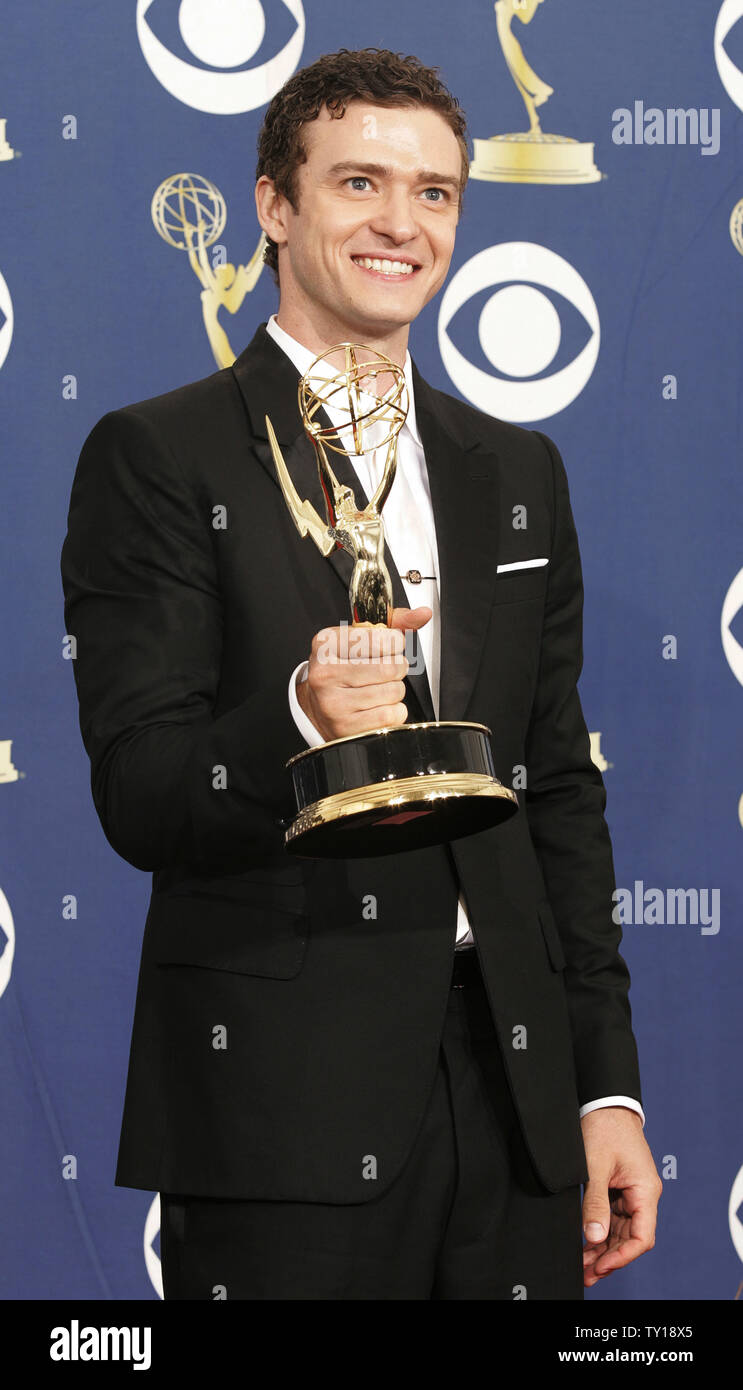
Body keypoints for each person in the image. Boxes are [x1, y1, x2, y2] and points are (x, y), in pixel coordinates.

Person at [60, 48, 661, 1300]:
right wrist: (299, 712)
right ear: (274, 207)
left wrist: (601, 1085)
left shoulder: (515, 470)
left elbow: (556, 791)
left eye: (435, 193)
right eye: (359, 183)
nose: (402, 224)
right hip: (284, 1108)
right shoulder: (159, 455)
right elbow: (140, 788)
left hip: (513, 1102)